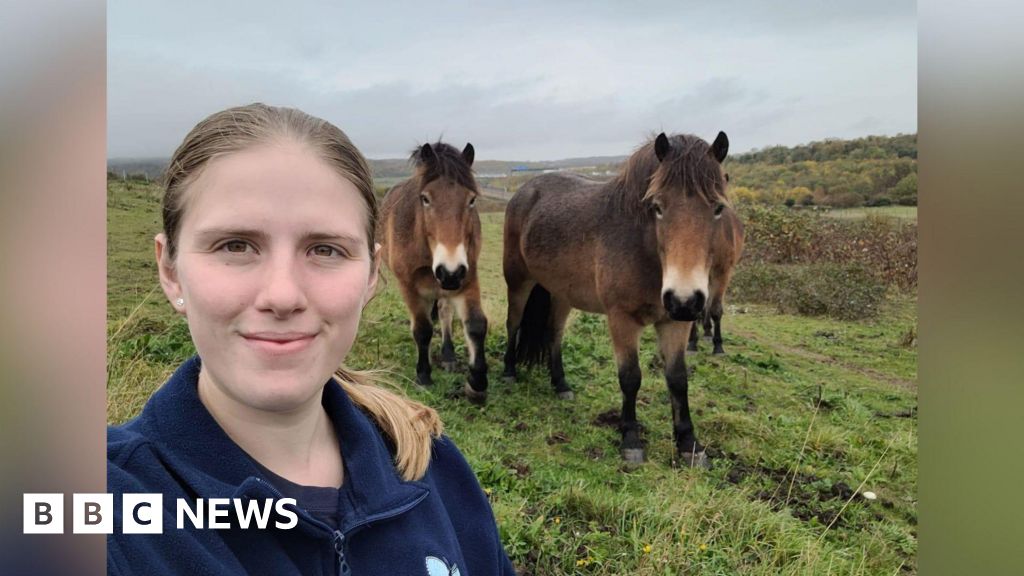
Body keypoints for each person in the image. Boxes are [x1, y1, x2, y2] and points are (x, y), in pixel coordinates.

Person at [107, 103, 516, 575]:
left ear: (370, 276)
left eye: (325, 249)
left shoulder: (436, 467)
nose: (282, 295)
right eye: (235, 245)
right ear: (170, 270)